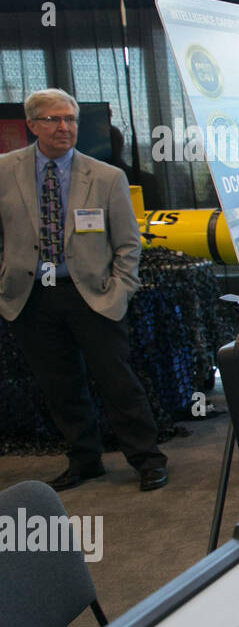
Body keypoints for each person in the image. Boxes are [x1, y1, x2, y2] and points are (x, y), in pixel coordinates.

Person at [0, 88, 168, 492]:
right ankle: (84, 461)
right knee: (60, 386)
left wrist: (119, 290)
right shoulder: (5, 170)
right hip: (31, 297)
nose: (65, 127)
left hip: (93, 295)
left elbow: (129, 244)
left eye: (71, 119)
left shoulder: (107, 176)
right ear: (32, 125)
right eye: (54, 120)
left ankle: (147, 459)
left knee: (118, 382)